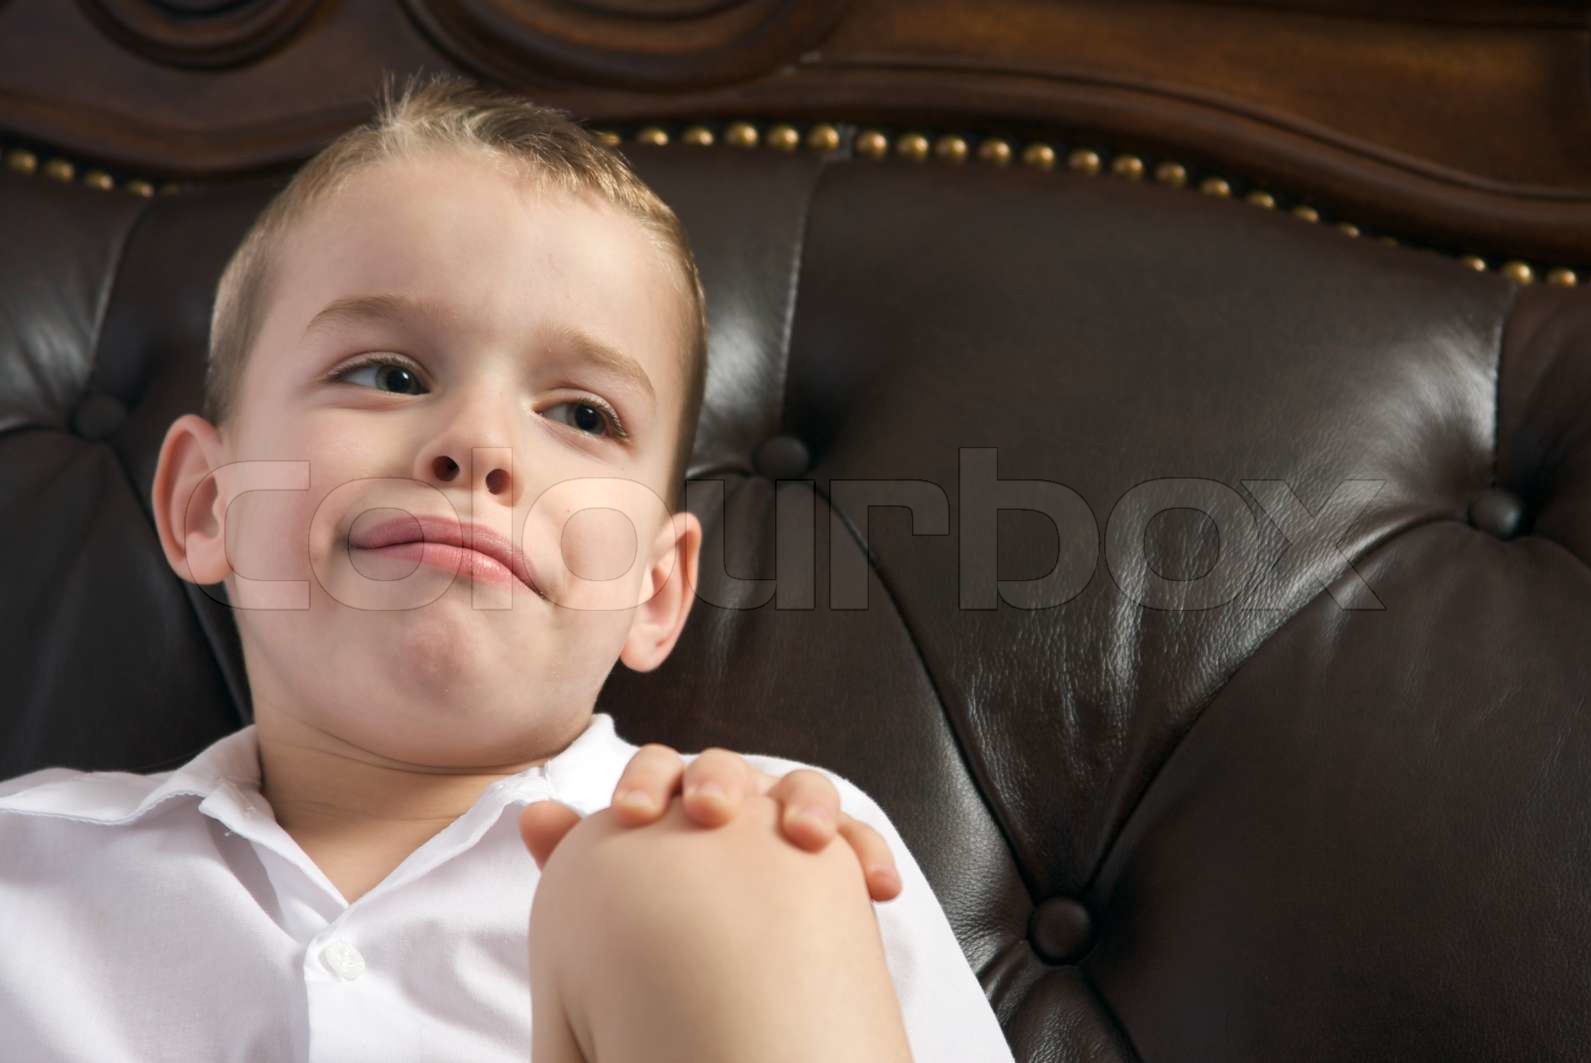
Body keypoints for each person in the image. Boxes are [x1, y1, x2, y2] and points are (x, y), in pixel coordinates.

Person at [0, 70, 1016, 1062]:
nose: (479, 443)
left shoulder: (782, 848)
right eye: (389, 375)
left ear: (654, 591)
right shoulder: (28, 872)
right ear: (206, 504)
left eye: (582, 415)